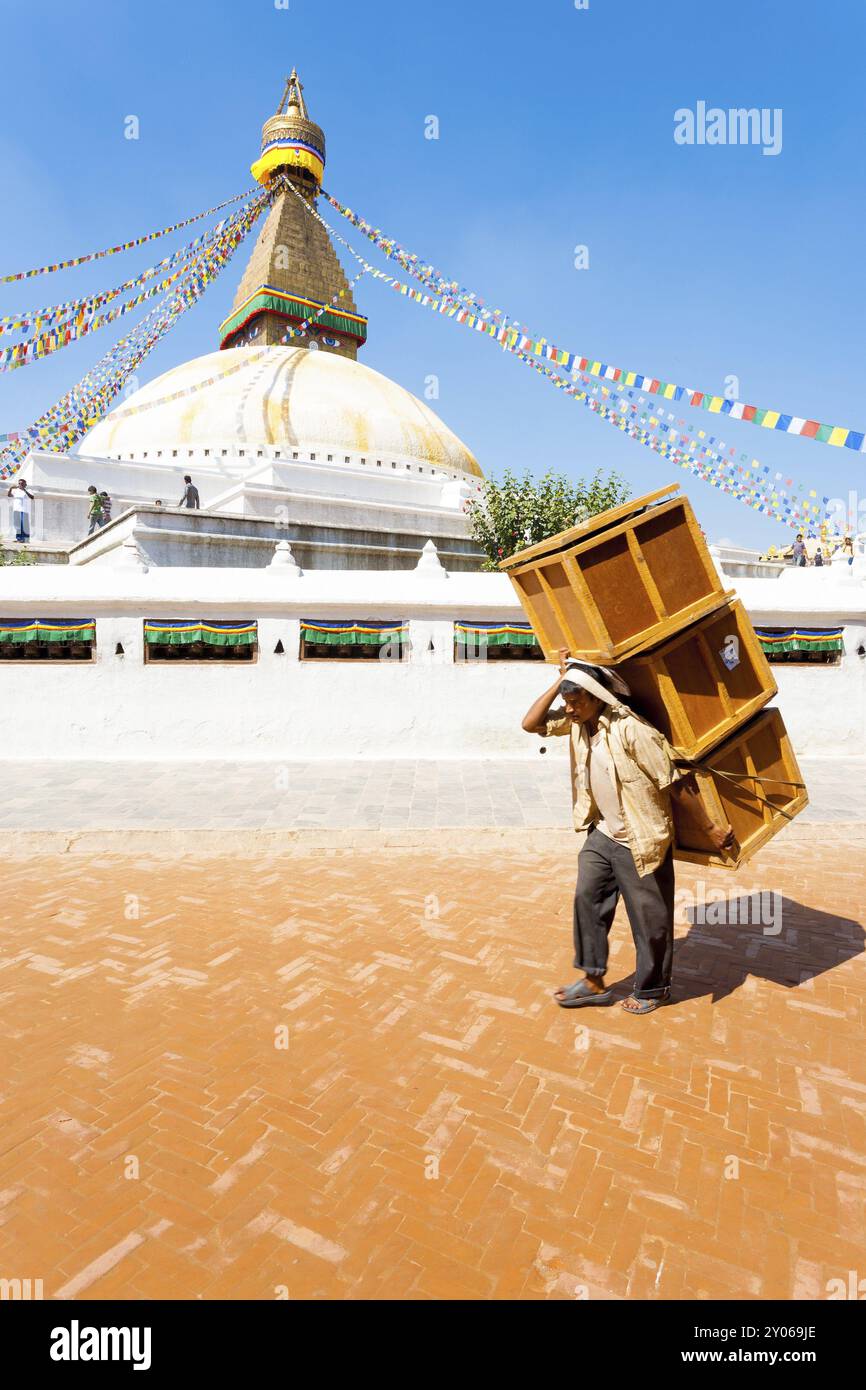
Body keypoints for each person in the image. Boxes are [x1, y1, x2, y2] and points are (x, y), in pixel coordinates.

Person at [522, 650, 736, 1015]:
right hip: (601, 833)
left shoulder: (632, 730)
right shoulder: (577, 723)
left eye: (576, 702)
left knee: (650, 919)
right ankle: (592, 981)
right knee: (587, 901)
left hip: (641, 839)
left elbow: (674, 784)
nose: (569, 710)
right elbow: (530, 724)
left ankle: (654, 989)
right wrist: (562, 680)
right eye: (567, 703)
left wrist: (711, 829)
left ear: (597, 697)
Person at [7, 478, 34, 544]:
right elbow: (9, 495)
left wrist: (24, 490)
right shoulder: (16, 491)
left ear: (25, 484)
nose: (20, 484)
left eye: (22, 483)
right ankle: (19, 539)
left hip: (24, 510)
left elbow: (32, 497)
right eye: (19, 483)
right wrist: (11, 488)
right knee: (17, 525)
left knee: (24, 525)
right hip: (16, 510)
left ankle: (26, 539)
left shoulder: (28, 490)